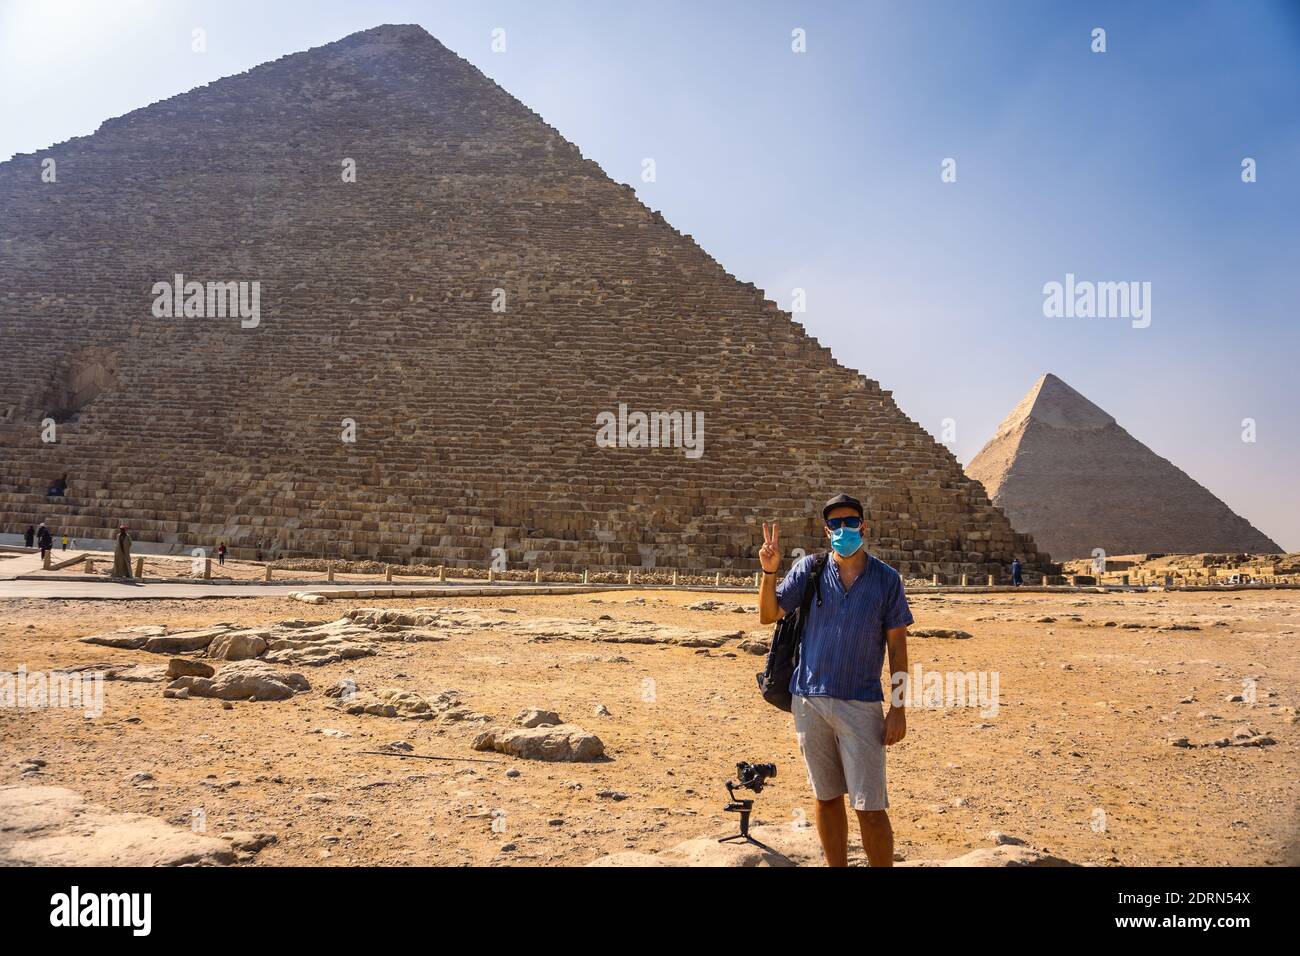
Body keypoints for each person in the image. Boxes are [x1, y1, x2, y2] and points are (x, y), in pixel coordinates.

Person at [759, 493, 912, 867]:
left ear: (864, 526)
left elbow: (898, 647)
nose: (843, 530)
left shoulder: (886, 579)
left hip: (860, 703)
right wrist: (769, 571)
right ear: (827, 531)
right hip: (809, 700)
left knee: (870, 805)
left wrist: (898, 708)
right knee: (826, 797)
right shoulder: (808, 569)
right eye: (836, 524)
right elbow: (768, 614)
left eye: (850, 522)